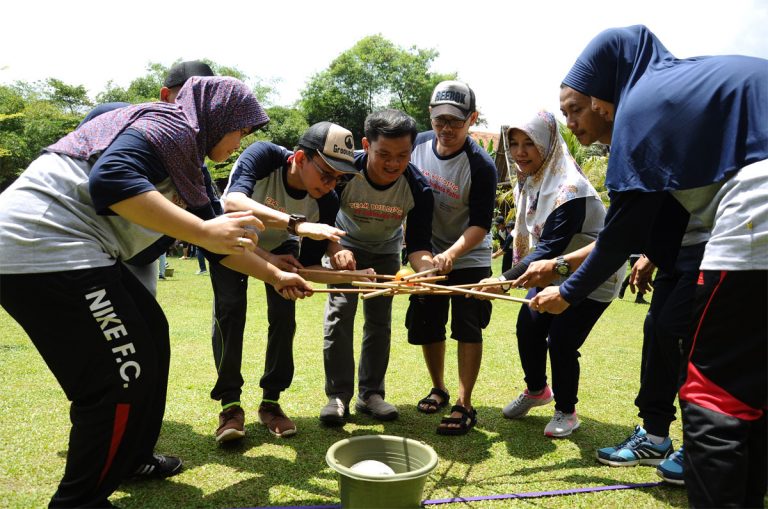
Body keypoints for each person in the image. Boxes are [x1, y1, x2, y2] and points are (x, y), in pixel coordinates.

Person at [0, 76, 312, 508]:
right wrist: (204, 229)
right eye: (240, 130)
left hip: (75, 249)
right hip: (44, 245)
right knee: (119, 377)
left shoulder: (188, 164)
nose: (240, 143)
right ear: (217, 118)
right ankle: (78, 502)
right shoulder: (170, 124)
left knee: (152, 333)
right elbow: (109, 181)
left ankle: (131, 458)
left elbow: (218, 249)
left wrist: (274, 276)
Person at [536, 25, 767, 506]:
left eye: (580, 107)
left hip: (756, 208)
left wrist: (568, 291)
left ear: (605, 93)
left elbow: (620, 233)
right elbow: (658, 221)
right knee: (752, 380)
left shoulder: (640, 108)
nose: (579, 120)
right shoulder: (681, 89)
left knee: (716, 395)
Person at [473, 111, 622, 437]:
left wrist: (503, 278)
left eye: (530, 143)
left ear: (549, 144)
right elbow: (534, 241)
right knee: (528, 325)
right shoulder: (532, 180)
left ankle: (567, 412)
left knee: (562, 340)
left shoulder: (570, 189)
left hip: (592, 274)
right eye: (514, 144)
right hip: (551, 272)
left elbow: (550, 246)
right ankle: (537, 391)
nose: (520, 152)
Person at [211, 121, 363, 441]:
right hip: (232, 241)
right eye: (326, 173)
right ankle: (230, 405)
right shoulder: (263, 156)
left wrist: (349, 277)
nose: (331, 183)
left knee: (284, 317)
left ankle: (271, 402)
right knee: (229, 311)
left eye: (339, 177)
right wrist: (292, 231)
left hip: (281, 247)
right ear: (299, 158)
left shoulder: (326, 201)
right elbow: (231, 203)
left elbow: (305, 268)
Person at [320, 109, 434, 426]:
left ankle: (371, 395)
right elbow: (323, 223)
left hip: (386, 251)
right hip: (345, 246)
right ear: (367, 144)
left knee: (379, 323)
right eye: (384, 153)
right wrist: (336, 249)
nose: (393, 164)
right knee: (340, 315)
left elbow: (420, 245)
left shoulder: (418, 188)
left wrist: (425, 271)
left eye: (403, 155)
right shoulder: (342, 173)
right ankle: (337, 396)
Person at [78, 60, 218, 292]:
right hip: (90, 240)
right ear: (165, 96)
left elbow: (212, 222)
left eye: (207, 101)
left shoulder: (195, 164)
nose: (199, 109)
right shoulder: (115, 115)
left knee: (147, 322)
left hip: (141, 255)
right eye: (189, 98)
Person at [408, 80, 497, 435]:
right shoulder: (415, 147)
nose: (446, 128)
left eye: (455, 121)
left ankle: (464, 401)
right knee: (428, 322)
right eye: (439, 119)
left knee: (466, 325)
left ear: (471, 119)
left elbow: (480, 224)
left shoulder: (482, 165)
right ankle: (439, 388)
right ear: (430, 114)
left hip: (470, 255)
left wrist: (452, 254)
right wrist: (426, 257)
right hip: (427, 253)